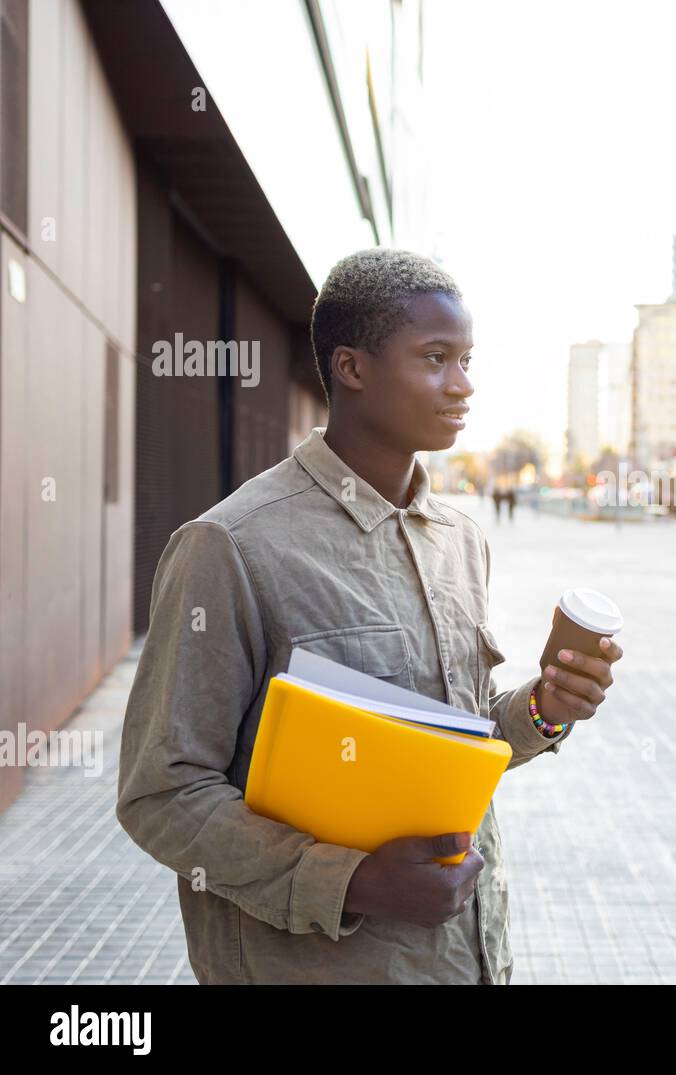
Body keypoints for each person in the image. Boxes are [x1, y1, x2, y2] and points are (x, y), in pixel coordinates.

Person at [116, 248, 624, 985]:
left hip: (465, 962)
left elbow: (458, 741)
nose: (464, 384)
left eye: (468, 359)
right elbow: (161, 794)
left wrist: (546, 711)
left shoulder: (460, 540)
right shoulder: (229, 546)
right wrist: (350, 879)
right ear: (352, 368)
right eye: (436, 358)